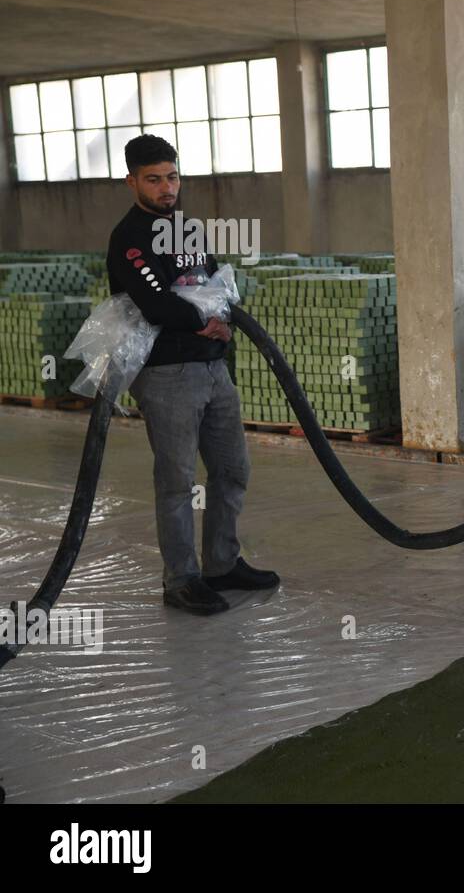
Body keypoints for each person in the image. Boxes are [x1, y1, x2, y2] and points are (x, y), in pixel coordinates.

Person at [106, 134, 278, 614]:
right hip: (167, 374)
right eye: (154, 179)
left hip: (212, 368)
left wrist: (221, 315)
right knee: (178, 480)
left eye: (173, 177)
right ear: (132, 181)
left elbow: (216, 279)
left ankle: (222, 564)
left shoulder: (186, 228)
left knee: (231, 469)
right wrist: (205, 320)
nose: (167, 188)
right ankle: (181, 580)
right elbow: (156, 303)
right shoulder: (129, 238)